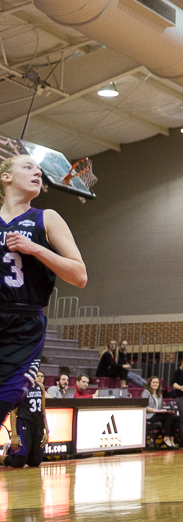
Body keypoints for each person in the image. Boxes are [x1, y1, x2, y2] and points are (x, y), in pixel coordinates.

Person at [0, 154, 88, 431]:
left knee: (4, 400)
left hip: (24, 326)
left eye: (39, 170)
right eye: (28, 167)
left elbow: (80, 276)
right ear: (6, 177)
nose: (38, 173)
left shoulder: (46, 218)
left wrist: (35, 249)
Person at [2, 368, 47, 468]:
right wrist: (14, 435)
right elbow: (13, 413)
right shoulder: (20, 388)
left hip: (38, 424)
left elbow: (43, 411)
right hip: (24, 423)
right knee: (18, 462)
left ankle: (11, 451)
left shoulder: (40, 387)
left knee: (35, 462)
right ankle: (7, 450)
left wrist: (46, 431)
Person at [143, 376, 179, 448]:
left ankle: (172, 438)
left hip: (157, 414)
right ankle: (166, 437)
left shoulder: (159, 395)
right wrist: (157, 411)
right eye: (153, 382)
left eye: (157, 382)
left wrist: (165, 411)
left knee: (177, 418)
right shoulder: (146, 392)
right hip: (149, 415)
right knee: (169, 417)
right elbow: (145, 407)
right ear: (150, 383)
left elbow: (160, 407)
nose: (155, 384)